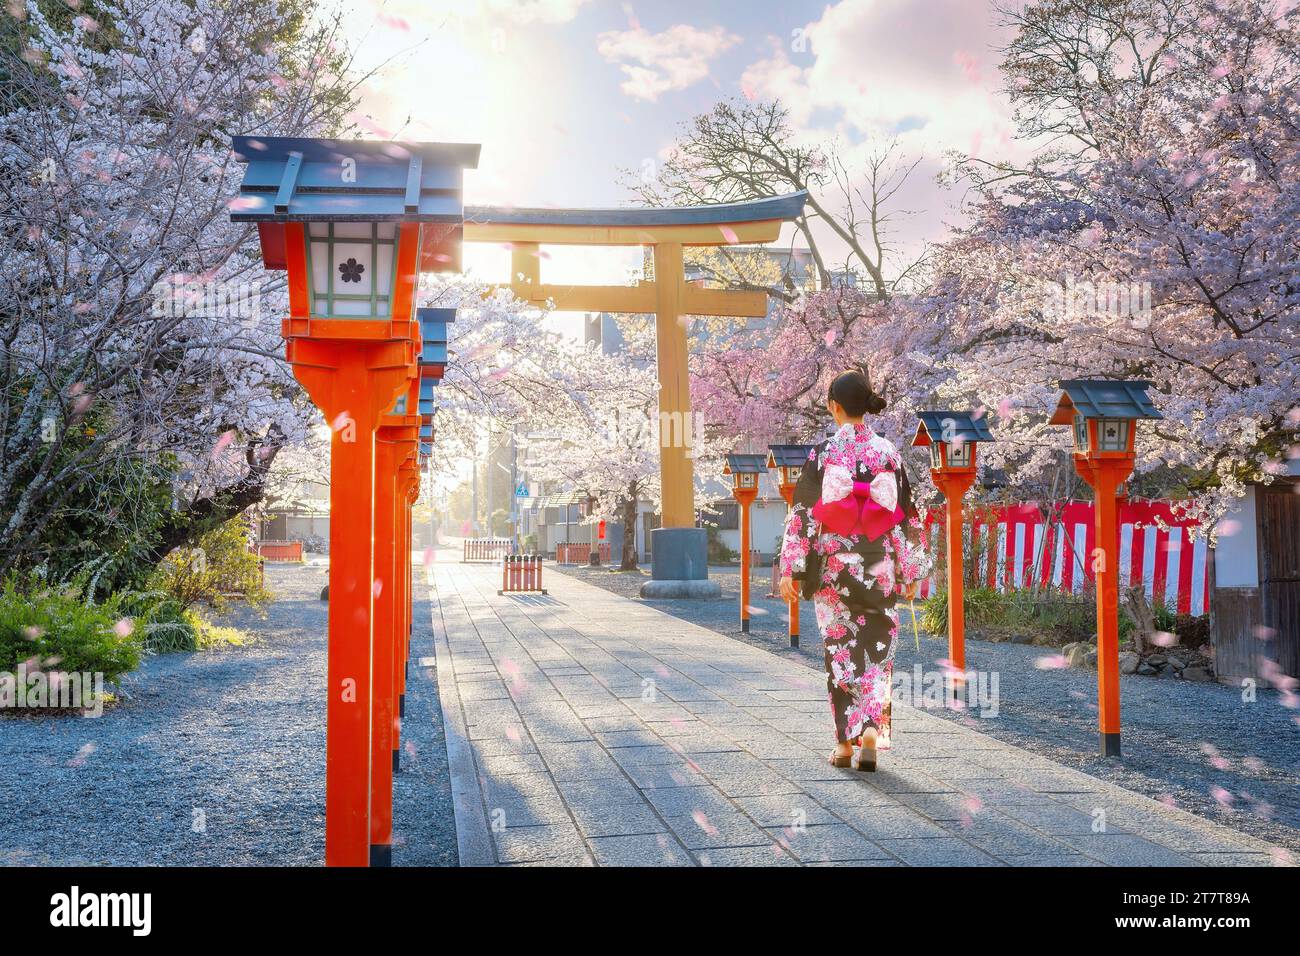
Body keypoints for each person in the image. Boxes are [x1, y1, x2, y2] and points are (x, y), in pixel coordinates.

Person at [777, 370, 931, 771]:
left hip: (835, 569)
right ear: (867, 406)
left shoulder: (824, 454)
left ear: (834, 406)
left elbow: (804, 513)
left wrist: (792, 568)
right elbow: (904, 516)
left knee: (840, 648)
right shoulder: (888, 454)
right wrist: (910, 569)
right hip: (878, 565)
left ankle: (845, 745)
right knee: (877, 650)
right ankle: (871, 732)